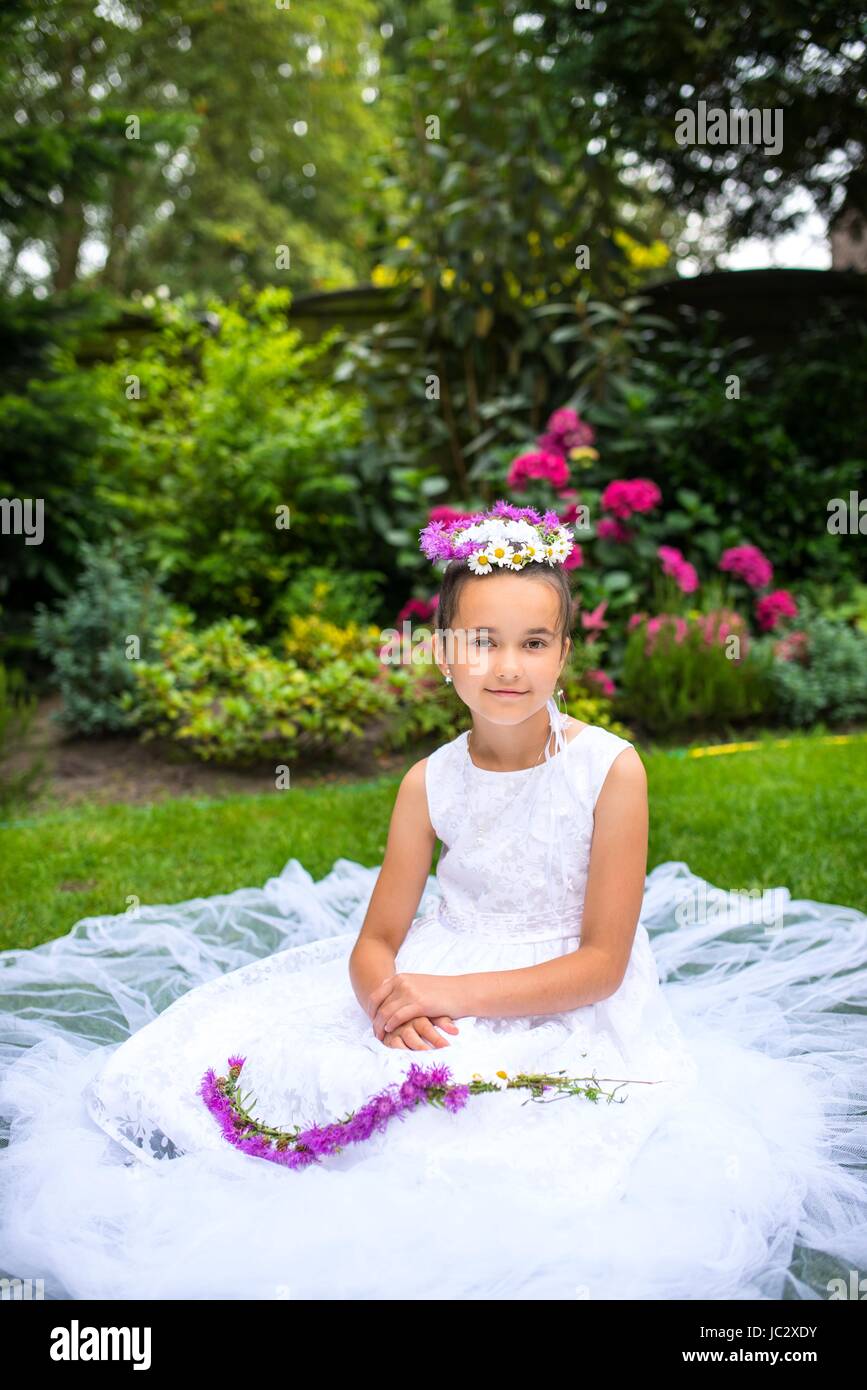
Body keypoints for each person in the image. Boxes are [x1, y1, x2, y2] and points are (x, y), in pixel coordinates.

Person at [0, 501, 865, 1301]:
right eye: (482, 640)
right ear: (443, 649)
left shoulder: (610, 770)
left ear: (565, 654)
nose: (507, 666)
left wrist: (441, 996)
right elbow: (376, 940)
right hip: (441, 964)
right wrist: (385, 999)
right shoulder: (428, 782)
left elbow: (600, 967)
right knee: (325, 1072)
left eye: (534, 642)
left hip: (561, 992)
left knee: (490, 1127)